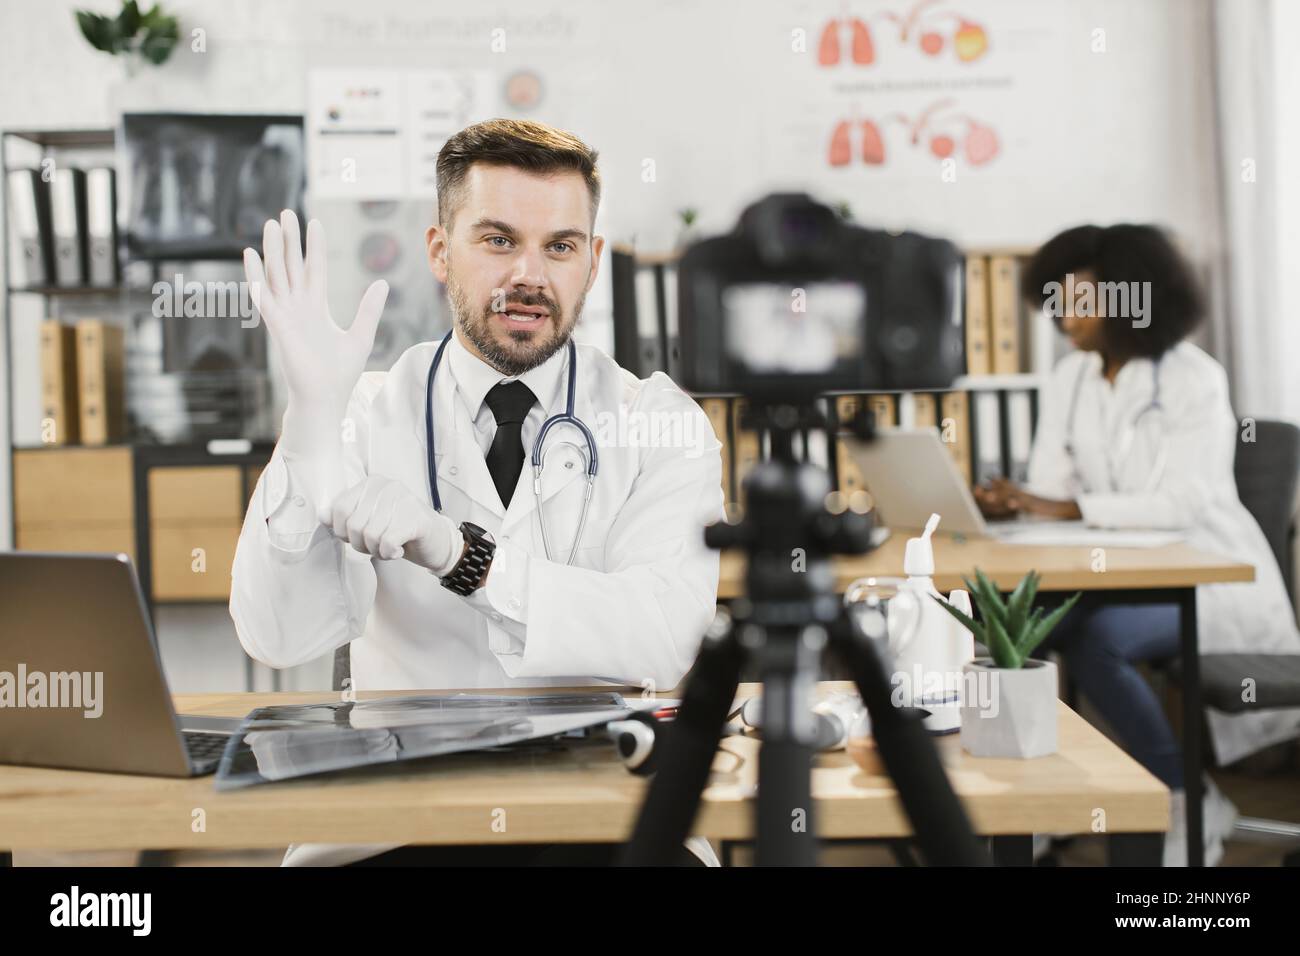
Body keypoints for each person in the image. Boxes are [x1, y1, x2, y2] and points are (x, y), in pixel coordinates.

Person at [229, 119, 723, 866]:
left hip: (607, 811)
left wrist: (465, 556)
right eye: (498, 240)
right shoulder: (361, 413)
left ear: (591, 262)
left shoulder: (659, 423)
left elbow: (660, 638)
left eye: (559, 246)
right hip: (404, 823)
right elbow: (278, 635)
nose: (530, 274)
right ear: (439, 250)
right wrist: (309, 423)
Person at [974, 224, 1300, 866]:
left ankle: (1183, 796)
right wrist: (1016, 500)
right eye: (1058, 298)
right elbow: (1049, 482)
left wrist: (1065, 506)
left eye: (1083, 299)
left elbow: (1184, 502)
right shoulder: (1069, 379)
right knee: (1023, 629)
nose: (1065, 315)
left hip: (1207, 574)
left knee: (1097, 639)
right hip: (1113, 572)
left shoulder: (1193, 380)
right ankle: (1036, 800)